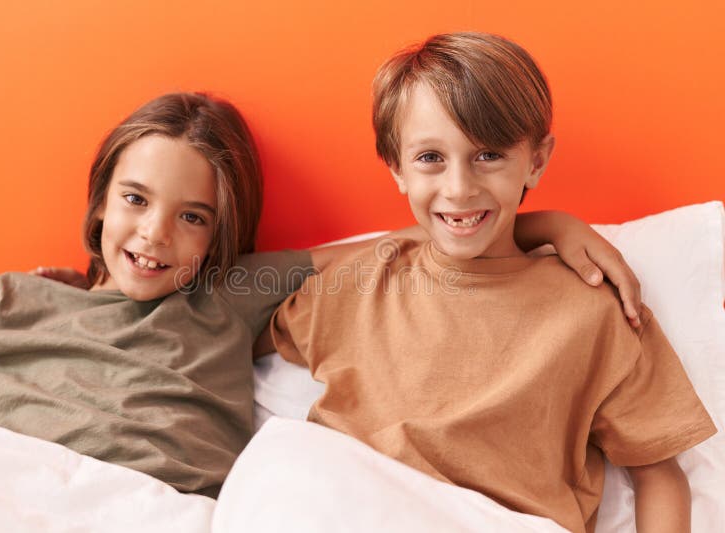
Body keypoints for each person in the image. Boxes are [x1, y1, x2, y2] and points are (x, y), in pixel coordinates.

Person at [0, 90, 641, 499]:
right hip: (12, 490)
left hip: (165, 507)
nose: (154, 234)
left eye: (192, 218)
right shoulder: (12, 304)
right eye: (135, 200)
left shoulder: (234, 293)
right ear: (100, 203)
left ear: (220, 235)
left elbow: (404, 242)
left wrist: (542, 221)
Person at [268, 32, 716, 532]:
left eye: (488, 156)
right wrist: (543, 223)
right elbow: (218, 293)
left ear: (537, 160)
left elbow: (658, 474)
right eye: (429, 158)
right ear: (396, 167)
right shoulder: (357, 283)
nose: (459, 189)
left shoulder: (594, 309)